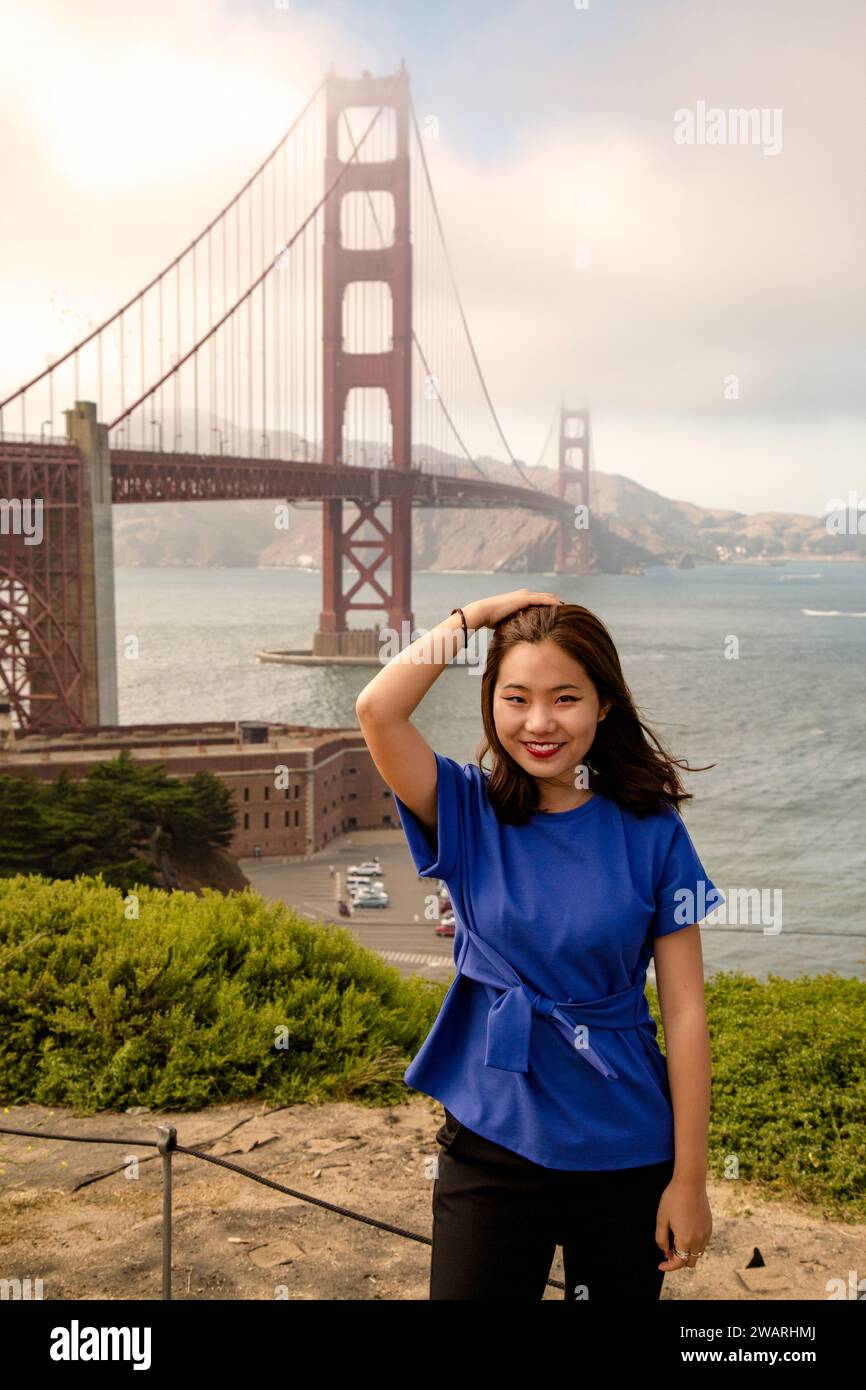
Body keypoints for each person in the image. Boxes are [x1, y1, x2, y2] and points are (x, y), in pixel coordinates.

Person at [355, 591, 725, 1302]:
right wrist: (477, 617)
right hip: (492, 1141)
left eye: (566, 698)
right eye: (515, 697)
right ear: (491, 701)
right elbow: (378, 709)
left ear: (605, 706)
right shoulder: (464, 806)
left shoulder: (654, 832)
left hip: (626, 1147)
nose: (539, 723)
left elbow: (685, 1016)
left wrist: (690, 1180)